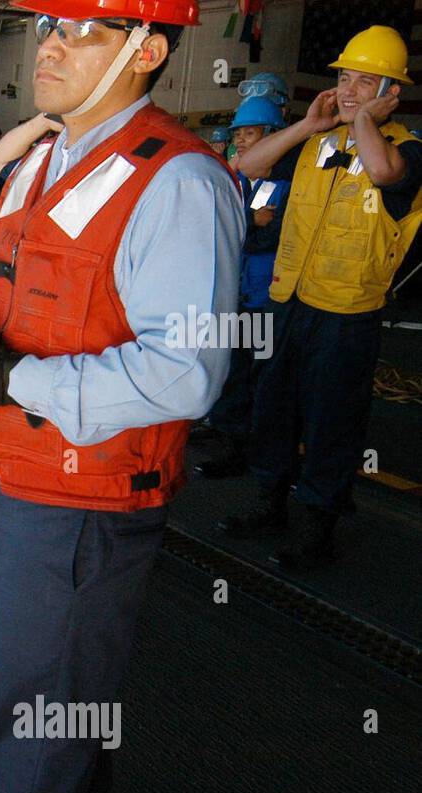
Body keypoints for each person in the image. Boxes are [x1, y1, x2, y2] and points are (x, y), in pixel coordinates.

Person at [0, 0, 244, 793]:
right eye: (46, 25)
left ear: (147, 51)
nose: (48, 45)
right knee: (64, 715)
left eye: (79, 29)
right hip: (19, 479)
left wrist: (11, 379)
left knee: (25, 734)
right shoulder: (43, 161)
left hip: (83, 504)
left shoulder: (178, 183)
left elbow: (187, 372)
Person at [221, 26, 422, 568]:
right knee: (274, 409)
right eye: (344, 78)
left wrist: (362, 121)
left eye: (364, 81)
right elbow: (247, 165)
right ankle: (271, 504)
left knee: (331, 422)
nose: (350, 89)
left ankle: (319, 529)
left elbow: (382, 173)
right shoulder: (315, 144)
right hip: (289, 302)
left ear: (390, 91)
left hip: (347, 315)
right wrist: (308, 125)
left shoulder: (408, 149)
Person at [195, 95, 290, 479]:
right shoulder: (237, 180)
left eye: (251, 133)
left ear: (271, 134)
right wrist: (252, 223)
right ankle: (229, 437)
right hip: (238, 292)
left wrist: (249, 228)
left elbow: (275, 238)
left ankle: (253, 451)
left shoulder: (286, 182)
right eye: (240, 134)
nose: (244, 141)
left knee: (260, 376)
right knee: (235, 368)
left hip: (267, 296)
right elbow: (220, 230)